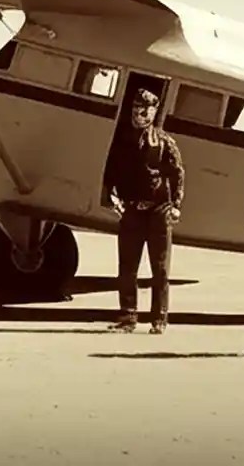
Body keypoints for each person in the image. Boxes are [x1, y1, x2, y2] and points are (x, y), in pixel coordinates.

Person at [101, 87, 185, 335]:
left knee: (159, 268)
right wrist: (110, 197)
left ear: (154, 112)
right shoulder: (123, 141)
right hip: (131, 211)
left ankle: (159, 318)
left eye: (148, 109)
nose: (142, 113)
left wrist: (176, 205)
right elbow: (111, 171)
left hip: (158, 211)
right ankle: (128, 316)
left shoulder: (164, 142)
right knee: (127, 266)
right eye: (138, 108)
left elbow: (177, 173)